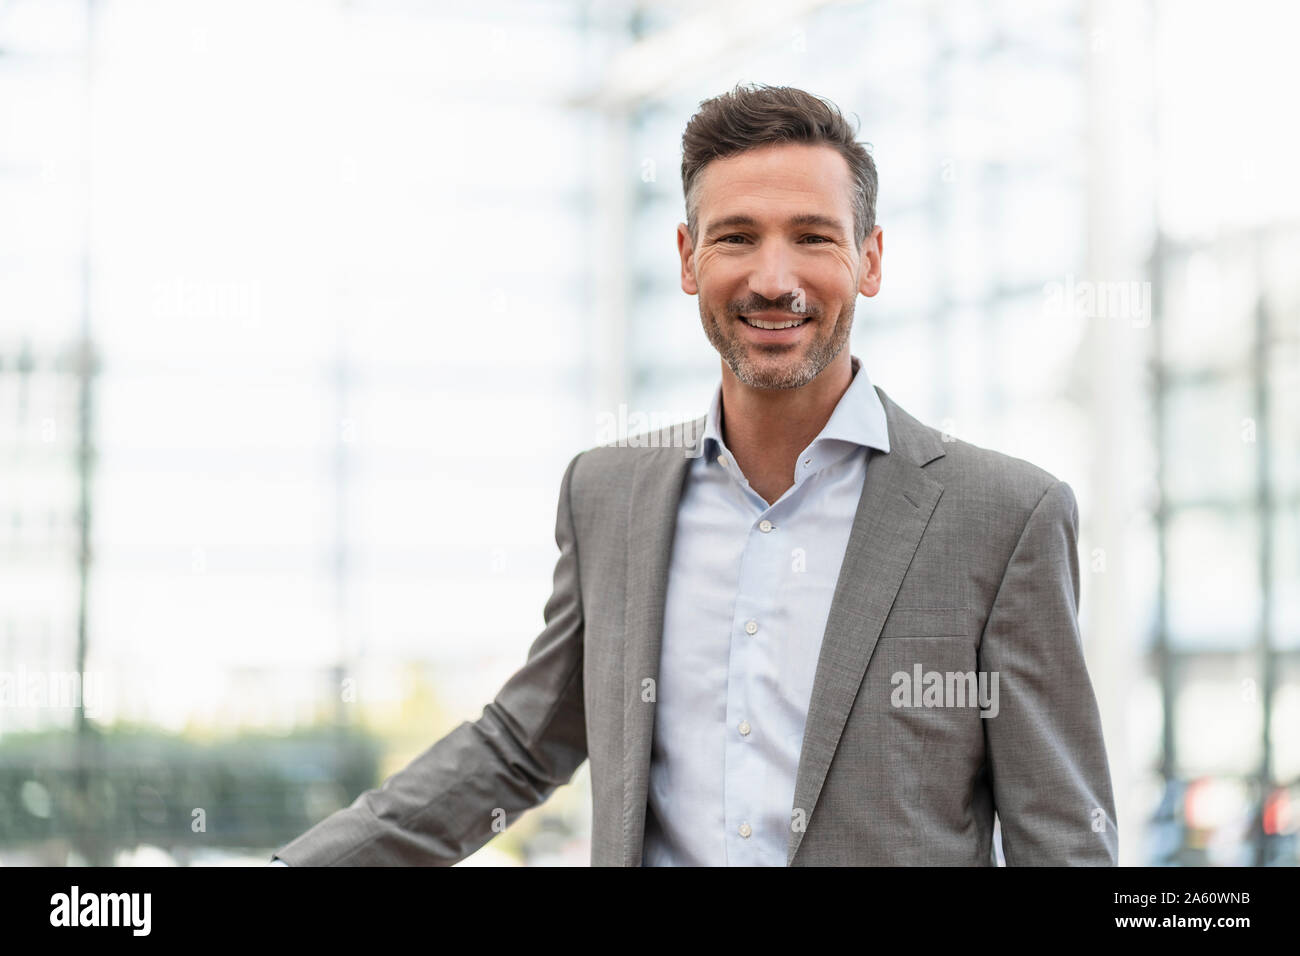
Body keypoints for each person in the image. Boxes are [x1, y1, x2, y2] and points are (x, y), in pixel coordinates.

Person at [271, 83, 1118, 866]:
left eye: (813, 237)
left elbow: (1061, 839)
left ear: (870, 259)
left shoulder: (1004, 516)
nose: (774, 280)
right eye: (736, 237)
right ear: (687, 258)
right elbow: (518, 749)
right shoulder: (609, 496)